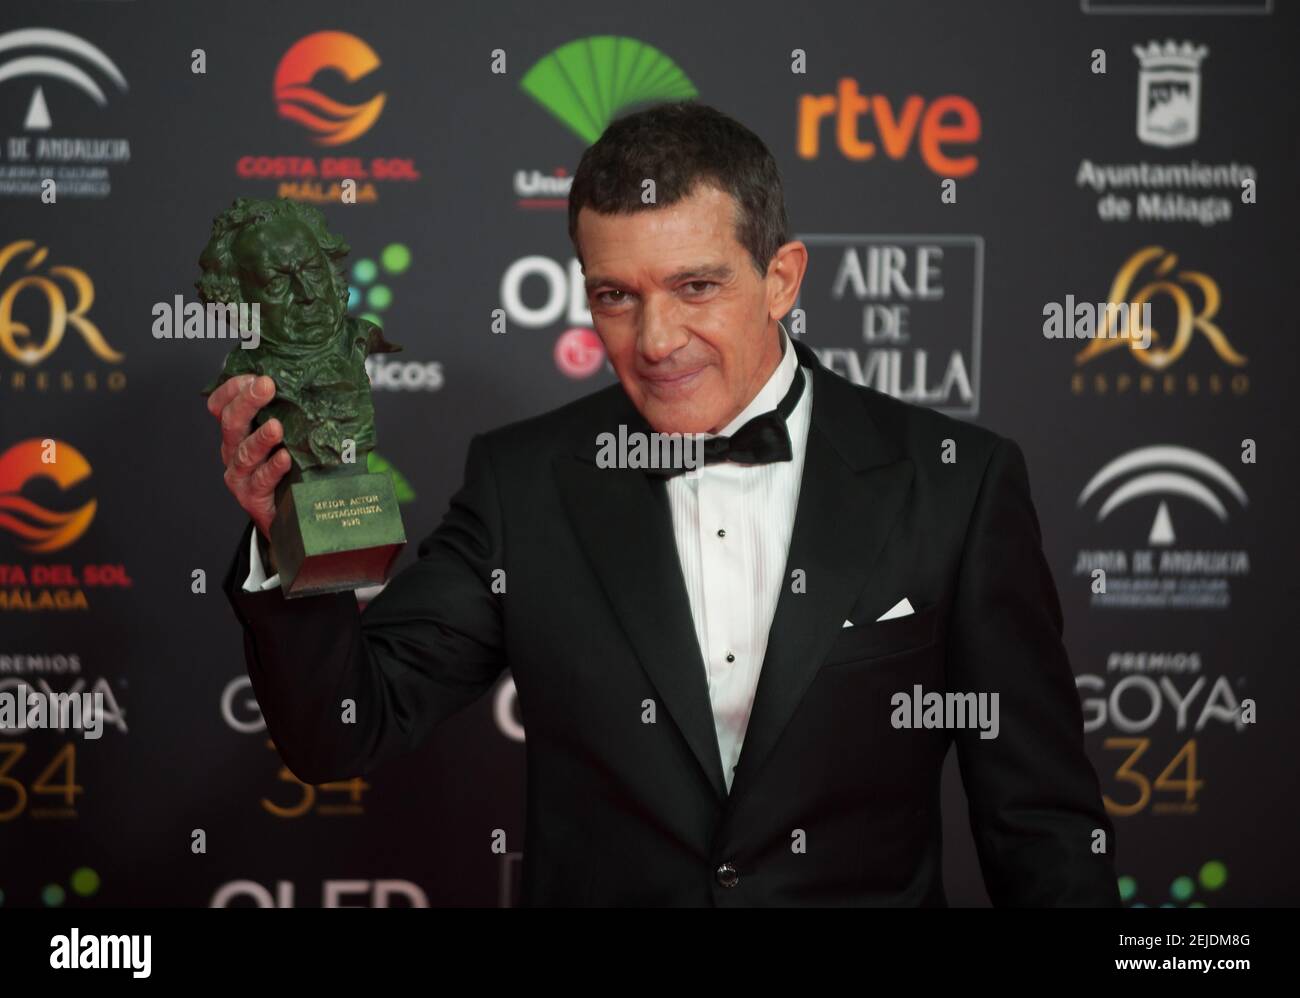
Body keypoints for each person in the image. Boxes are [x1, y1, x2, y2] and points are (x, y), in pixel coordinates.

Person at [209, 101, 1119, 906]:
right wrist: (286, 538)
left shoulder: (956, 479)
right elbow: (345, 732)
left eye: (697, 286)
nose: (655, 340)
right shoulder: (524, 484)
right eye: (616, 296)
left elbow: (1038, 820)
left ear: (783, 277)